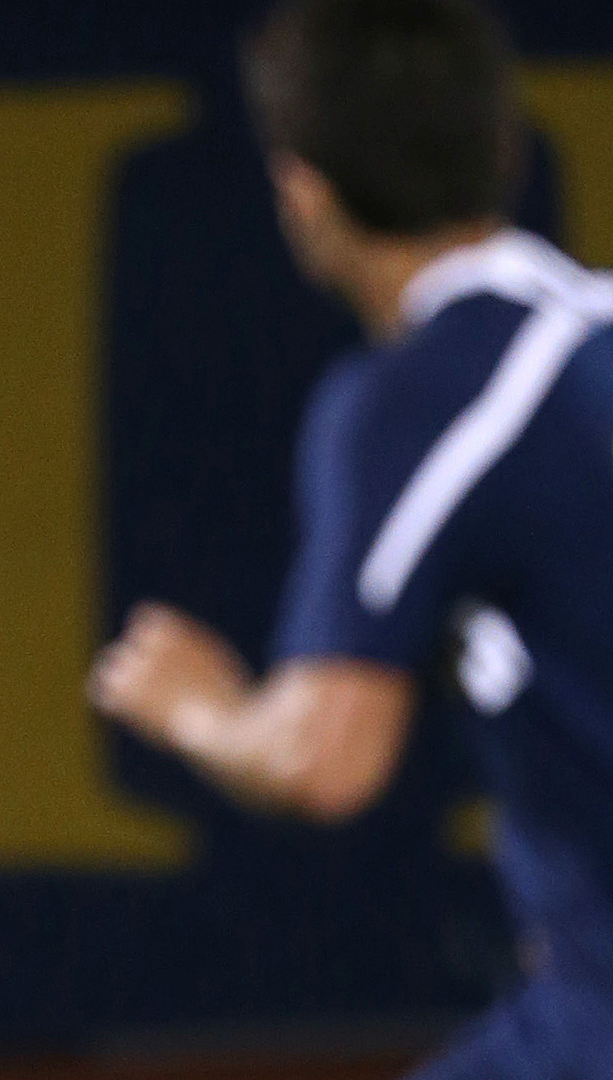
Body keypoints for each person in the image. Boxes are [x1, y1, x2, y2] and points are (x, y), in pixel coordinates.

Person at [89, 0, 613, 1076]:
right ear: (506, 149)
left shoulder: (421, 398)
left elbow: (323, 756)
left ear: (303, 194)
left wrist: (197, 707)